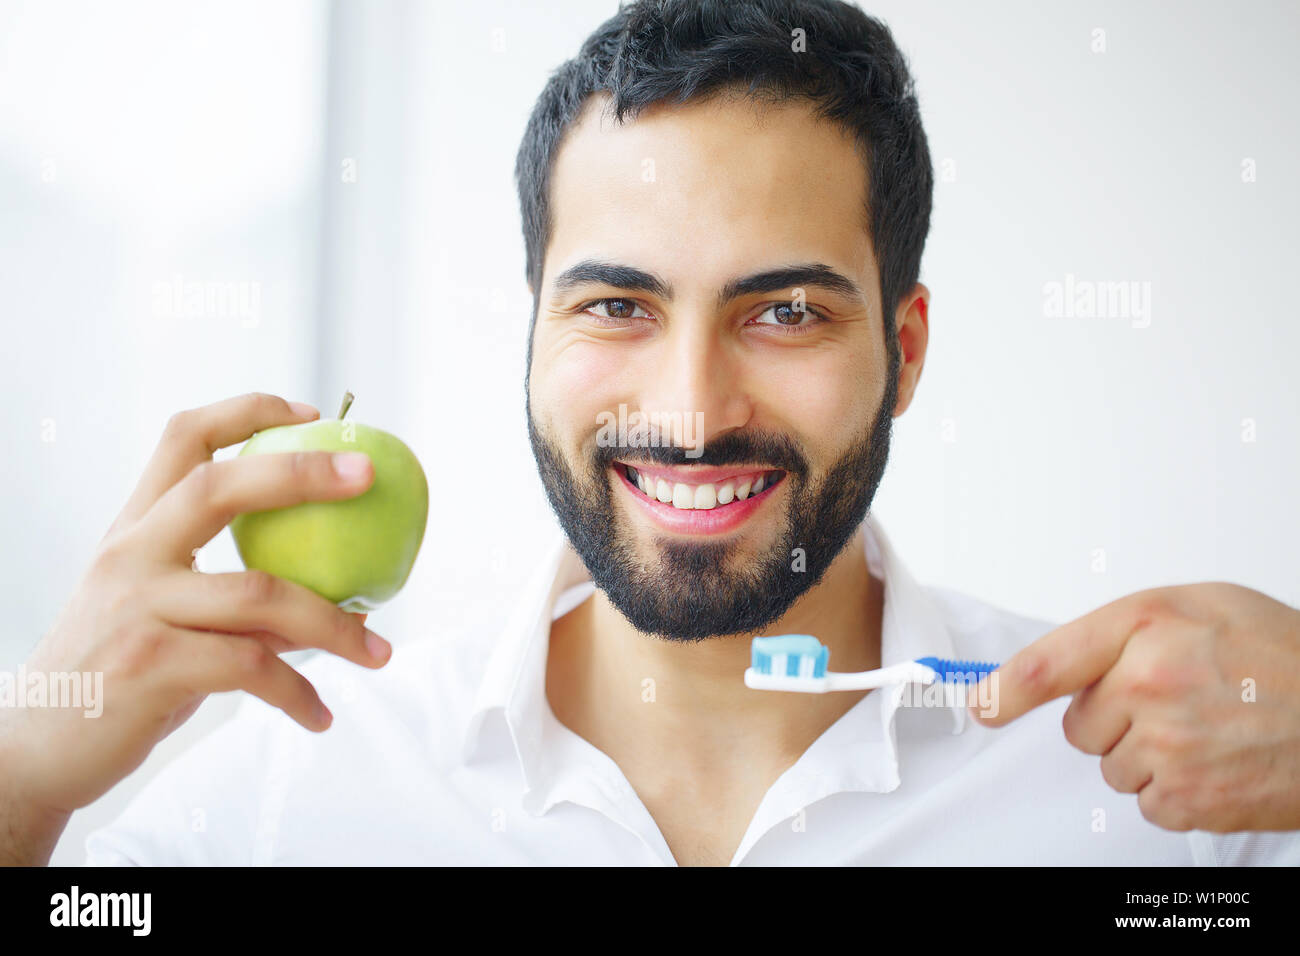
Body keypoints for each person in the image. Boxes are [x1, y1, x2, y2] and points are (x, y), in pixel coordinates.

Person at [3, 0, 1298, 866]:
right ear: (533, 333)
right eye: (617, 305)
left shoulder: (1172, 801)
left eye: (782, 311)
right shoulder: (290, 802)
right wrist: (24, 775)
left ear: (903, 351)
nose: (690, 409)